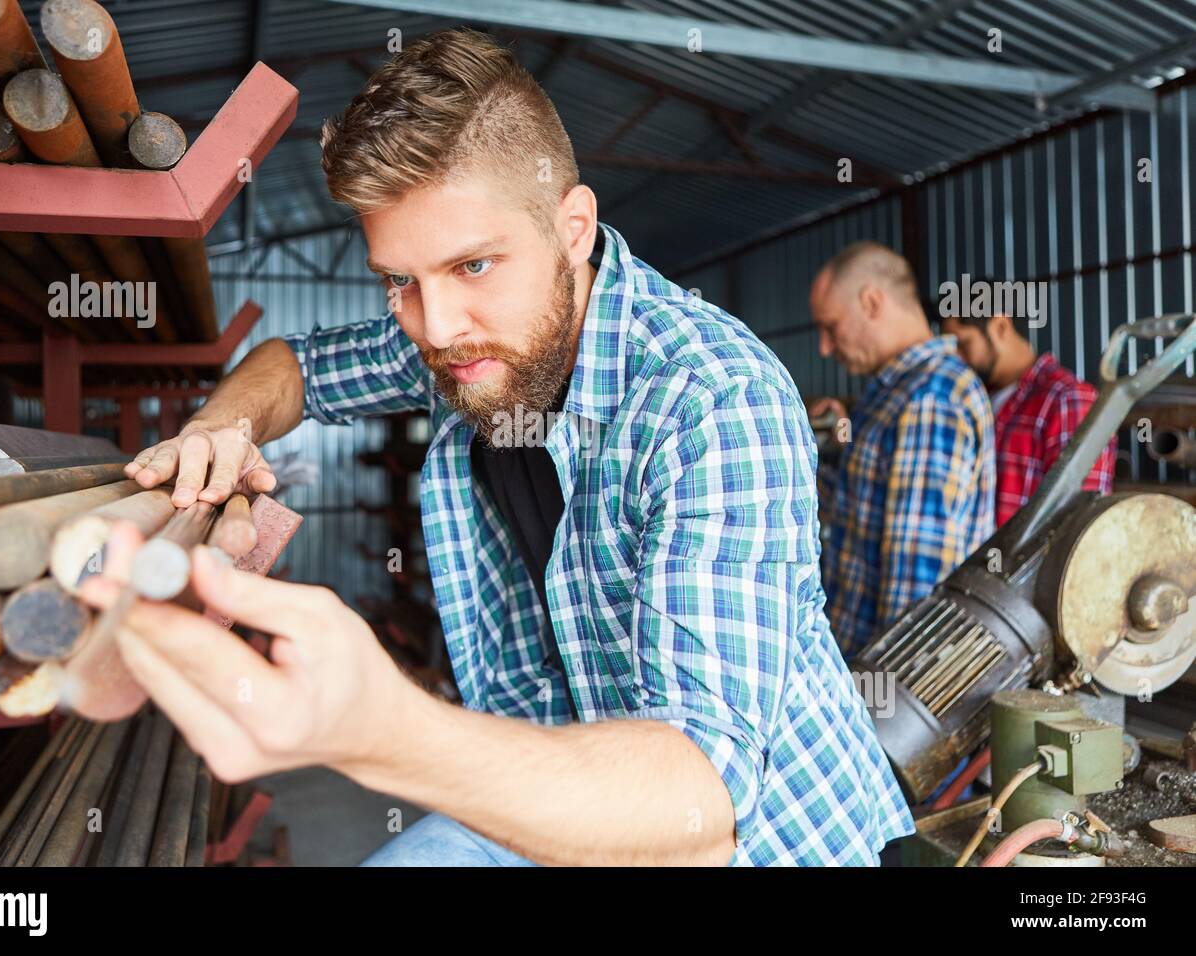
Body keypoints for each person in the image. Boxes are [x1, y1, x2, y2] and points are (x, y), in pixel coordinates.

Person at [85, 30, 913, 866]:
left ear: (574, 228)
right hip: (562, 791)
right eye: (399, 280)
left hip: (760, 840)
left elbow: (697, 802)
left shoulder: (711, 399)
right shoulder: (466, 338)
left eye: (473, 265)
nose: (436, 329)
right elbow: (289, 366)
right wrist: (220, 426)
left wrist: (381, 730)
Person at [807, 242, 994, 658]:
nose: (824, 347)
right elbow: (856, 502)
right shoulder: (895, 394)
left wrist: (882, 694)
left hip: (887, 677)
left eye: (831, 327)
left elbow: (914, 580)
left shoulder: (929, 398)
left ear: (871, 302)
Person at [941, 305, 1114, 525]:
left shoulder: (1068, 399)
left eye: (964, 344)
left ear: (1000, 327)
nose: (957, 358)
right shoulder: (973, 399)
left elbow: (1078, 519)